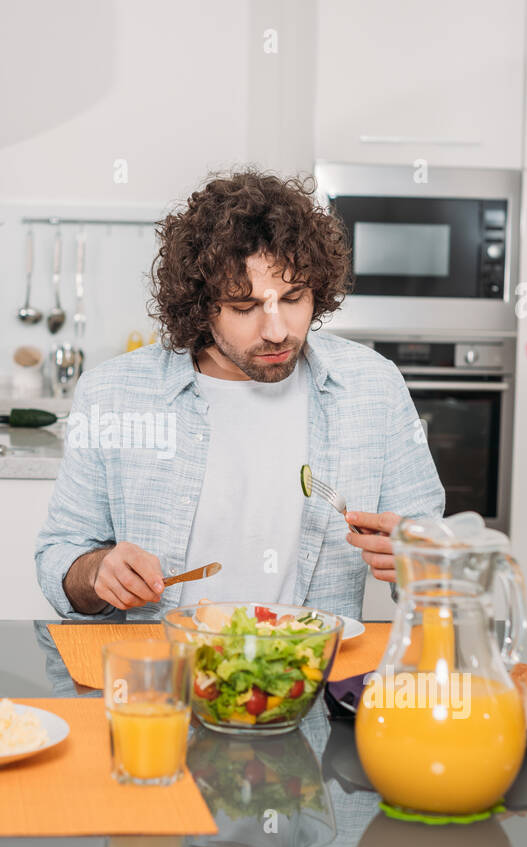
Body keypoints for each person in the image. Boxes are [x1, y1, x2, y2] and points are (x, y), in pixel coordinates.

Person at [34, 169, 446, 620]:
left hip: (310, 677)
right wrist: (96, 572)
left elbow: (435, 566)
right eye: (244, 307)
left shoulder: (373, 388)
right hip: (165, 675)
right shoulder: (113, 393)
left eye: (292, 298)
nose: (276, 331)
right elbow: (60, 557)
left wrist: (424, 565)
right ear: (198, 304)